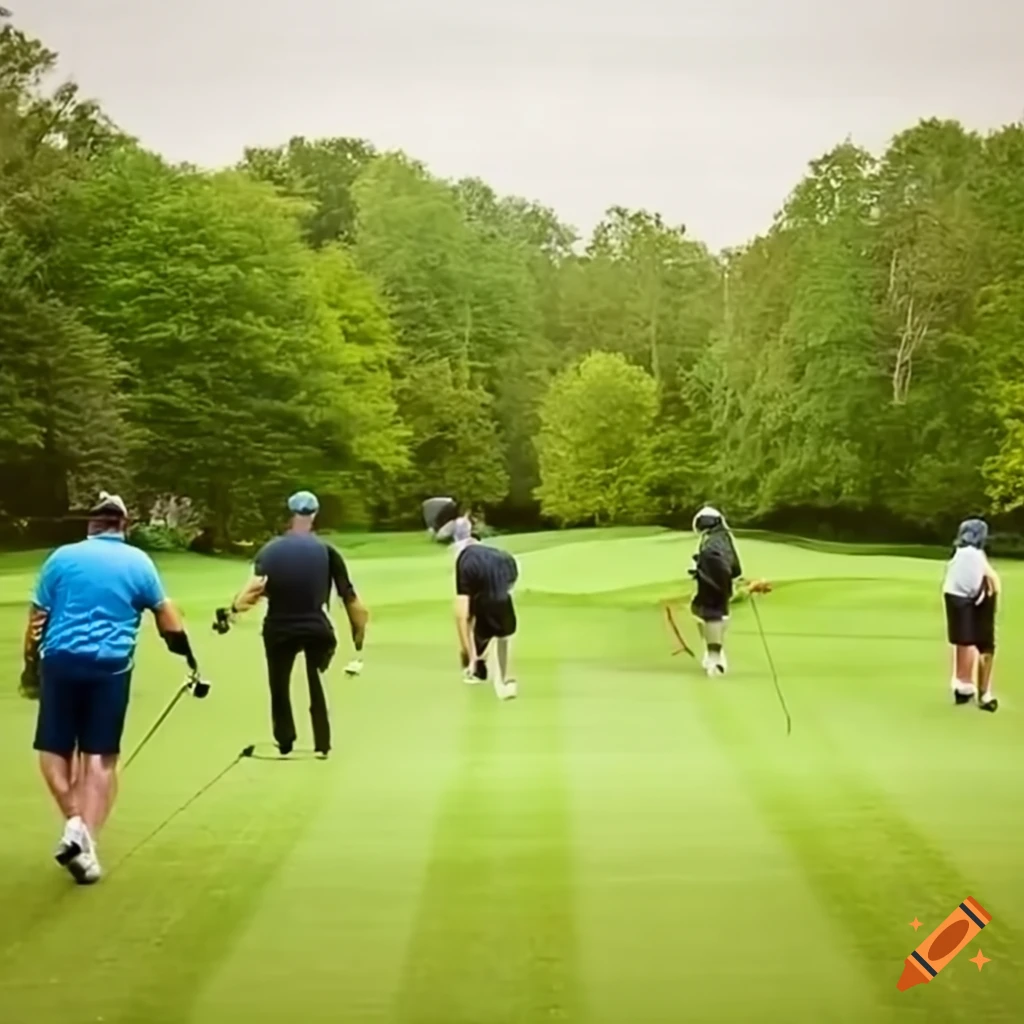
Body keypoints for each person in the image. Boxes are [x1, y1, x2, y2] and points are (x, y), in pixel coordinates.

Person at [23, 492, 196, 884]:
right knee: (100, 757)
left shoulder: (62, 558)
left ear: (91, 524)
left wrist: (29, 666)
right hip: (110, 667)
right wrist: (187, 656)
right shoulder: (138, 561)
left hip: (60, 661)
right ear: (124, 525)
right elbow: (167, 618)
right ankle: (83, 836)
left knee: (54, 749)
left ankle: (73, 822)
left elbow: (37, 617)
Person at [215, 491, 368, 758]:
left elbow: (253, 590)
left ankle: (285, 739)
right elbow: (350, 597)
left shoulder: (270, 550)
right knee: (315, 678)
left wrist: (231, 612)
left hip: (279, 627)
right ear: (315, 515)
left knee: (279, 682)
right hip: (317, 627)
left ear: (290, 514)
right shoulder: (327, 551)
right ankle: (322, 743)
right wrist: (358, 633)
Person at [450, 515, 520, 701]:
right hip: (504, 591)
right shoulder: (499, 555)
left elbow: (461, 615)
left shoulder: (463, 561)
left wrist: (466, 653)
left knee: (481, 621)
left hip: (488, 597)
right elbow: (511, 578)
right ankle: (500, 676)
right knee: (502, 634)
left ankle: (481, 671)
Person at [942, 517, 999, 712]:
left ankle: (962, 685)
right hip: (972, 598)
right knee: (984, 644)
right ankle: (983, 694)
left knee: (963, 642)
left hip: (953, 595)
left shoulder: (960, 553)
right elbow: (983, 583)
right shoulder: (973, 555)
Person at [689, 505, 742, 678]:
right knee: (704, 613)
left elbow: (716, 563)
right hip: (718, 585)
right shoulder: (721, 537)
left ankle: (715, 658)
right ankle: (713, 652)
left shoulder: (714, 541)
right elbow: (735, 568)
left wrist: (705, 573)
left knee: (711, 616)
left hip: (713, 586)